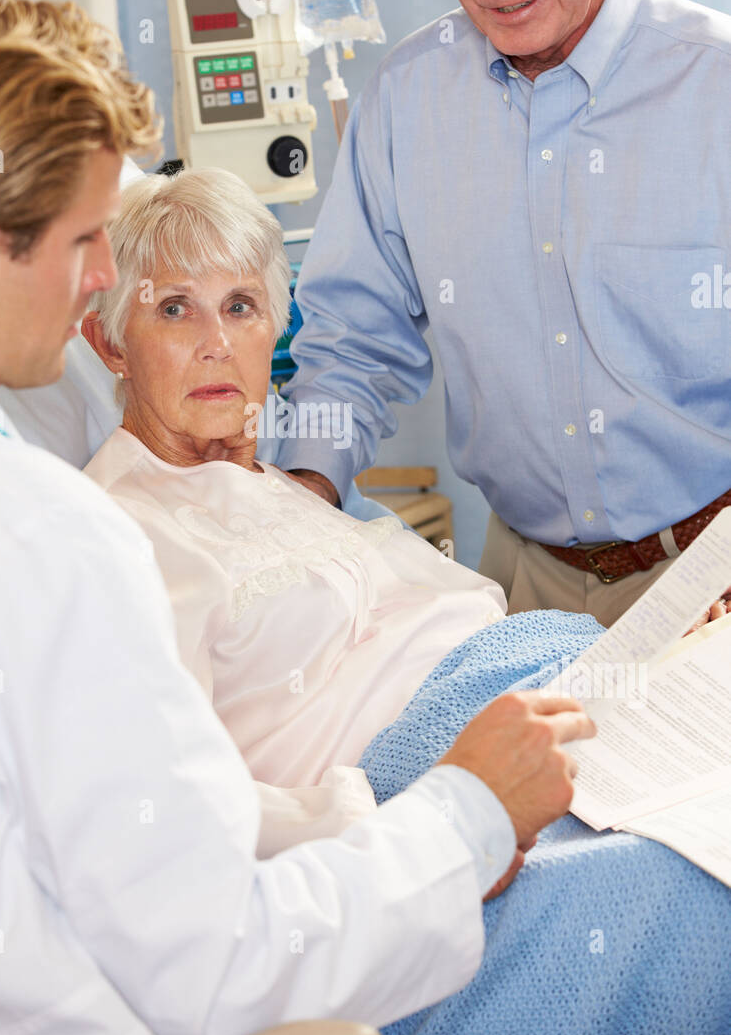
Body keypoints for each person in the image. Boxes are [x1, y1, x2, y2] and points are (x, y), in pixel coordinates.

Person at [0, 0, 591, 1035]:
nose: (100, 281)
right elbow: (216, 958)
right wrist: (465, 810)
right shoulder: (42, 534)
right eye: (82, 243)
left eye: (238, 306)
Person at [275, 0, 731, 629]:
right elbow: (349, 338)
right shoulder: (405, 101)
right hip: (522, 579)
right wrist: (300, 496)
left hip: (712, 576)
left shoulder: (716, 88)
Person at [81, 166, 507, 854]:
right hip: (443, 797)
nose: (216, 340)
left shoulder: (290, 488)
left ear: (275, 327)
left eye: (241, 306)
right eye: (174, 308)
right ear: (110, 345)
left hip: (537, 689)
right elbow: (171, 794)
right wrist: (384, 836)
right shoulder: (121, 534)